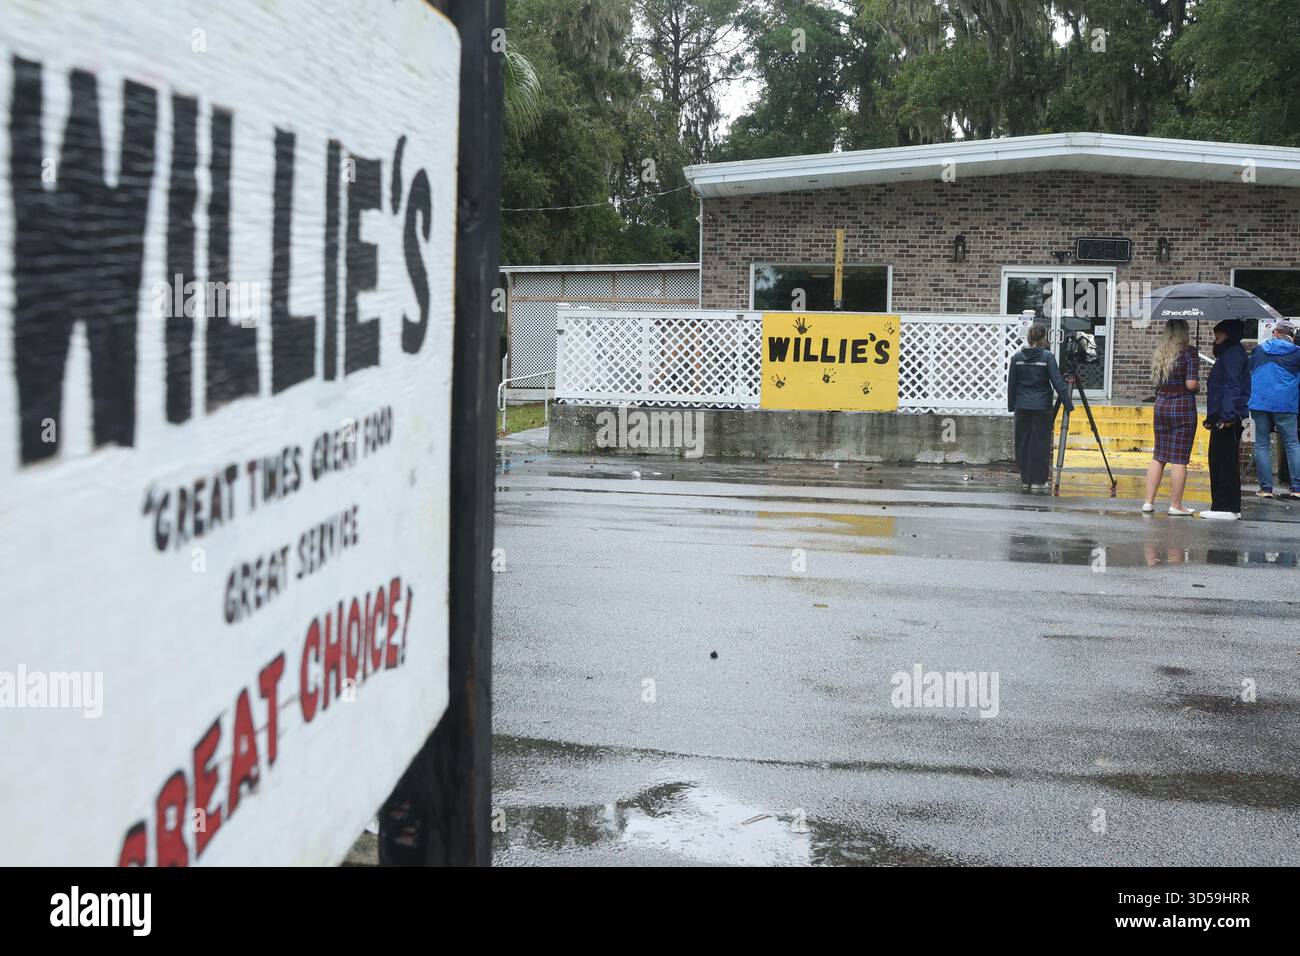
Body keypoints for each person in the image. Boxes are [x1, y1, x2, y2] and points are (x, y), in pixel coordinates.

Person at [1143, 319, 1199, 515]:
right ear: (1185, 332)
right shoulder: (1189, 352)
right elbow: (1191, 384)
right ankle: (1175, 505)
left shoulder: (1161, 352)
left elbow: (1157, 383)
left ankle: (1148, 502)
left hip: (1161, 405)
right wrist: (1198, 386)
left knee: (1159, 456)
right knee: (1179, 458)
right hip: (1182, 406)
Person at [1007, 323, 1073, 491]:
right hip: (1042, 406)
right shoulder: (1047, 357)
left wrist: (1011, 405)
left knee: (1022, 443)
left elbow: (1012, 384)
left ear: (1029, 338)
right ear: (1043, 338)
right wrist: (1067, 403)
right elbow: (1057, 381)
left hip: (1022, 405)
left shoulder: (1017, 358)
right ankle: (1038, 481)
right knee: (1040, 443)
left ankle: (1026, 479)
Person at [1199, 319, 1251, 520]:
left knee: (1223, 462)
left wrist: (1227, 416)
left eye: (1217, 334)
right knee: (1223, 460)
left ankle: (1224, 507)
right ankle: (1227, 506)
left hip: (1229, 416)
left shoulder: (1231, 355)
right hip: (1225, 414)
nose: (1215, 338)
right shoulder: (1232, 353)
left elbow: (1231, 386)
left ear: (1227, 334)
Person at [1248, 318, 1300, 498]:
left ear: (1275, 333)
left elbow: (1250, 370)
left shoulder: (1258, 350)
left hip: (1259, 402)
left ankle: (1266, 489)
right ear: (1292, 336)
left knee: (1262, 445)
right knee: (1292, 445)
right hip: (1286, 404)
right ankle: (1297, 488)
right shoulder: (1297, 353)